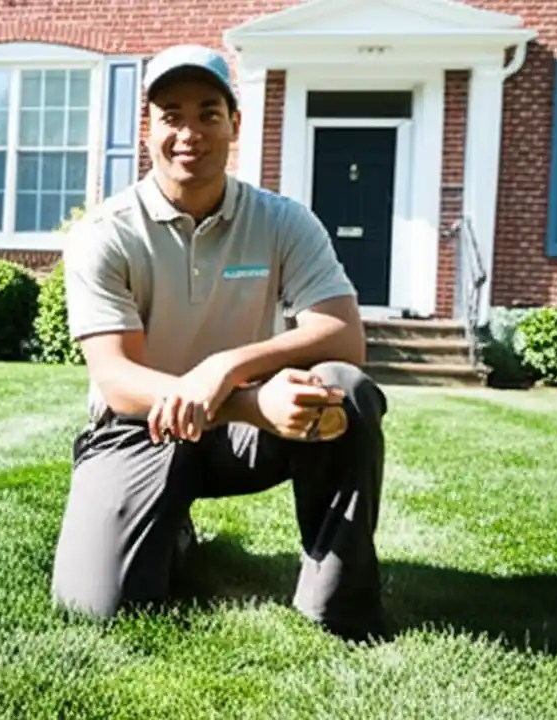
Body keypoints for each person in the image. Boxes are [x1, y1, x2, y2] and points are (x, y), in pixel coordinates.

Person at [51, 44, 390, 642]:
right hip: (139, 429)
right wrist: (244, 400)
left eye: (208, 113)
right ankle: (169, 524)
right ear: (148, 128)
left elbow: (343, 333)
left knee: (346, 391)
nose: (190, 132)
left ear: (235, 124)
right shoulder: (104, 235)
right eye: (171, 114)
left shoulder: (284, 221)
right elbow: (117, 377)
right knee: (95, 605)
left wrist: (229, 366)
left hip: (246, 437)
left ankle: (339, 605)